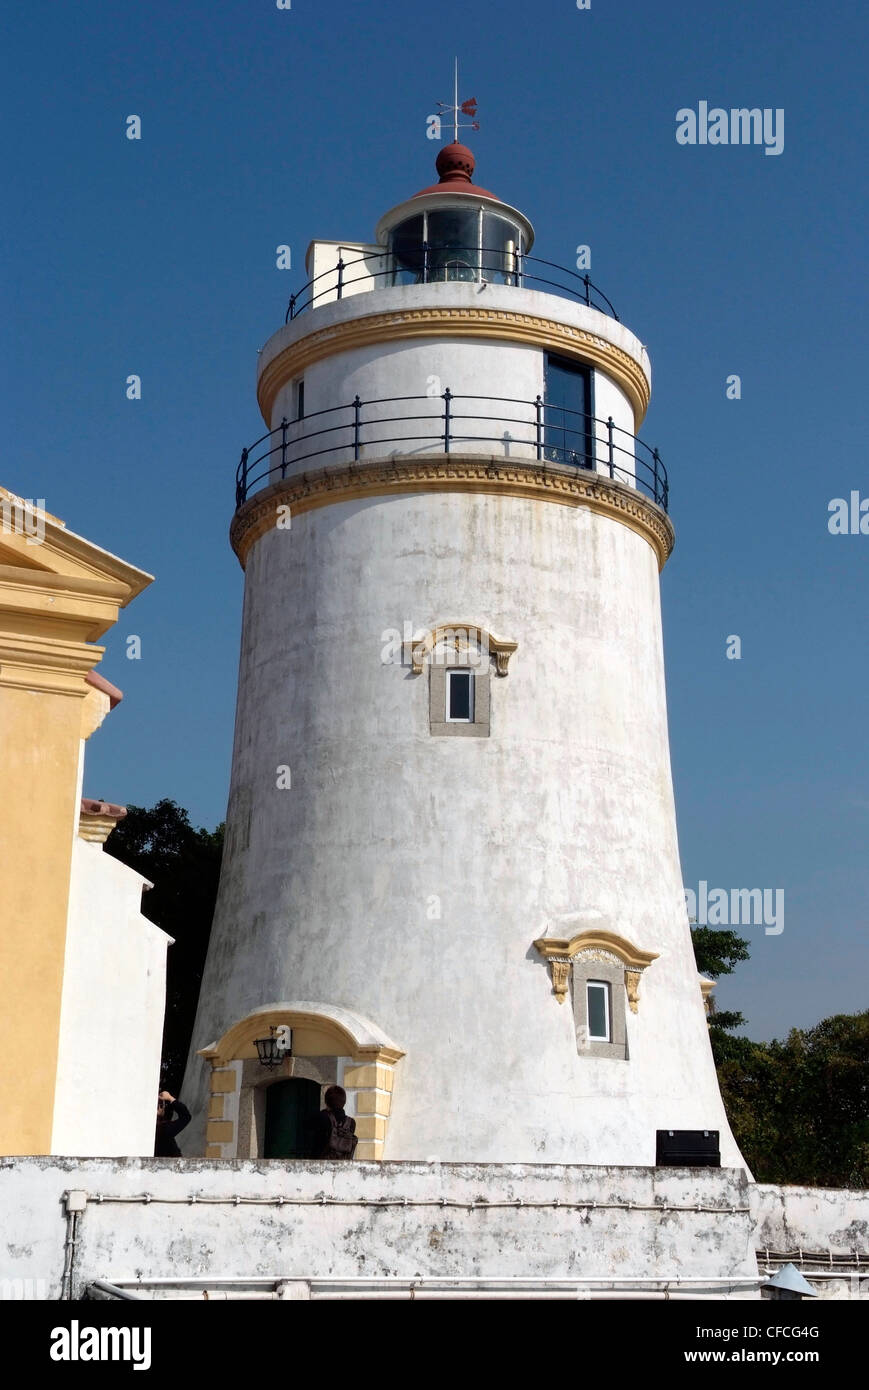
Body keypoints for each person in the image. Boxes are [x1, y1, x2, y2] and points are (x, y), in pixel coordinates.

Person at [311, 1085, 358, 1159]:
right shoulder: (351, 1123)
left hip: (322, 1165)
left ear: (326, 1101)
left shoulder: (321, 1117)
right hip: (344, 1166)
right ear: (344, 1102)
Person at [154, 1090, 191, 1157]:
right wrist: (170, 1098)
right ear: (159, 1108)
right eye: (161, 1105)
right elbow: (186, 1116)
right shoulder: (163, 1129)